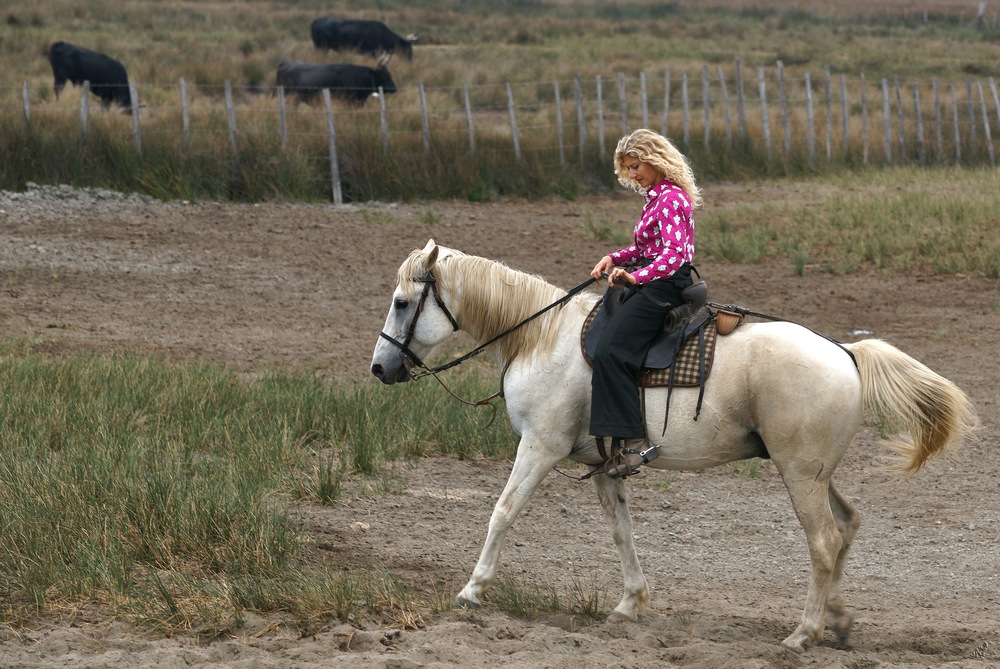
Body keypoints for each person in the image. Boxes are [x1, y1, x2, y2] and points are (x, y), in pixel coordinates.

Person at [589, 128, 703, 478]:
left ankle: (632, 442)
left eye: (636, 166)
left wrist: (636, 278)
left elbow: (672, 256)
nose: (632, 174)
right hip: (657, 277)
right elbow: (645, 249)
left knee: (611, 351)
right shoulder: (657, 197)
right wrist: (614, 257)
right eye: (627, 168)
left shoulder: (669, 199)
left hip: (665, 285)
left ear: (655, 160)